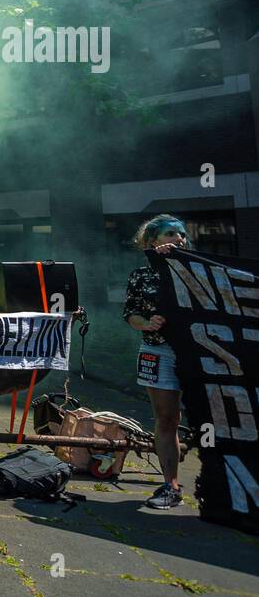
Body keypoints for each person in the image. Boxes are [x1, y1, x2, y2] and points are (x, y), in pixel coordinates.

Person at [122, 214, 191, 510]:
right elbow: (130, 313)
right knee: (166, 418)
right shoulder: (142, 275)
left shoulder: (195, 269)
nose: (179, 239)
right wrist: (146, 324)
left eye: (182, 234)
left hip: (198, 352)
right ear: (152, 241)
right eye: (170, 234)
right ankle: (171, 485)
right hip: (158, 350)